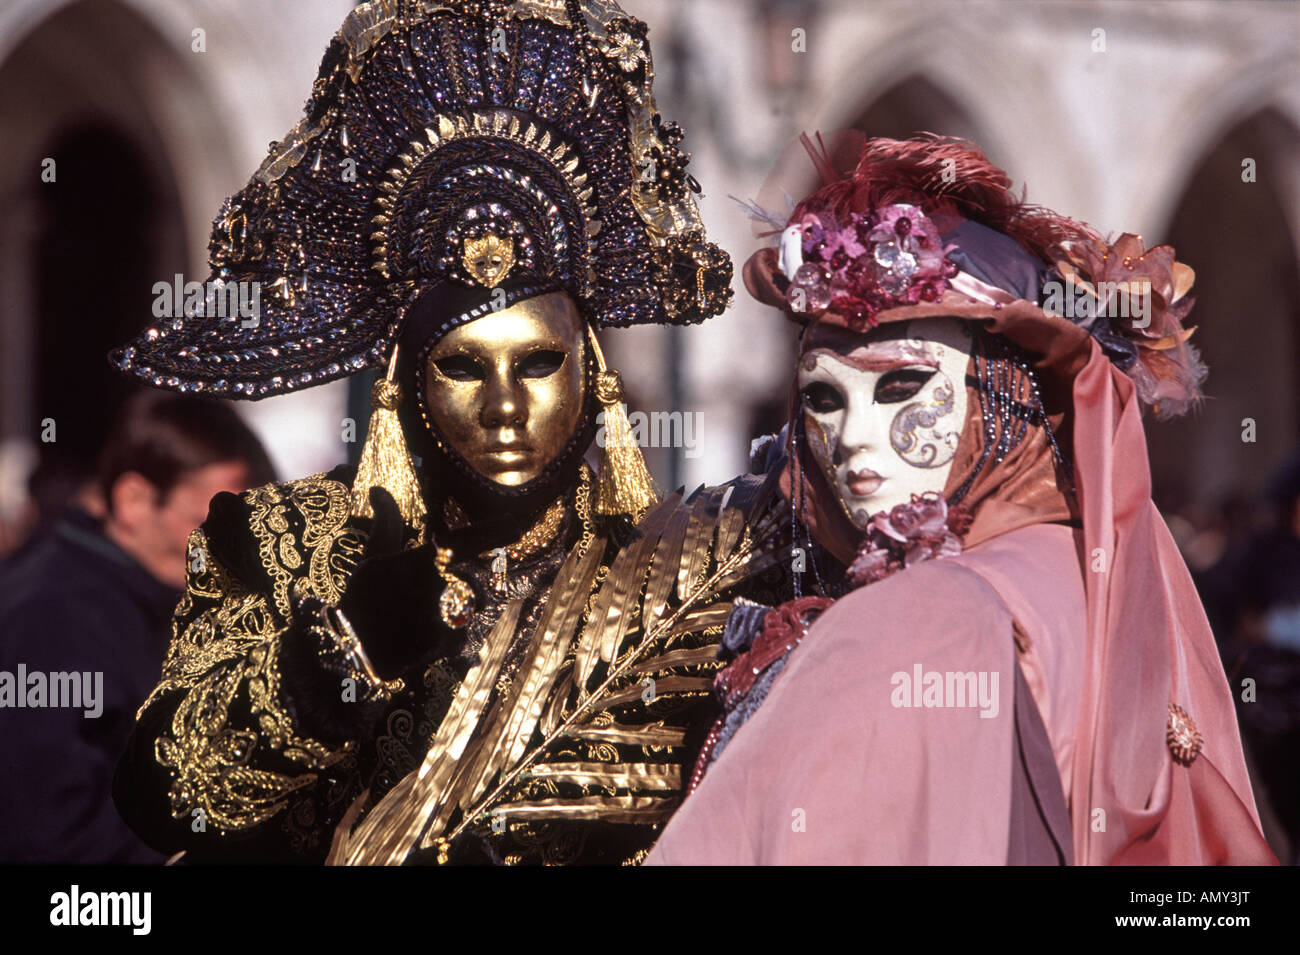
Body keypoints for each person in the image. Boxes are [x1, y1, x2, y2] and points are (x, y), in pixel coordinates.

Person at [109, 0, 770, 866]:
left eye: (537, 363)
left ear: (593, 373)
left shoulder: (677, 571)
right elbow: (165, 800)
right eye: (464, 366)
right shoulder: (289, 545)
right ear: (404, 388)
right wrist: (345, 653)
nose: (505, 404)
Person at [646, 134, 1277, 865]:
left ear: (1001, 396)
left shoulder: (927, 613)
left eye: (900, 385)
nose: (852, 437)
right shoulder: (1083, 570)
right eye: (822, 398)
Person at [0, 391, 273, 862]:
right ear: (134, 500)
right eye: (211, 525)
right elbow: (48, 833)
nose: (233, 553)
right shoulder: (47, 618)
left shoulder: (156, 596)